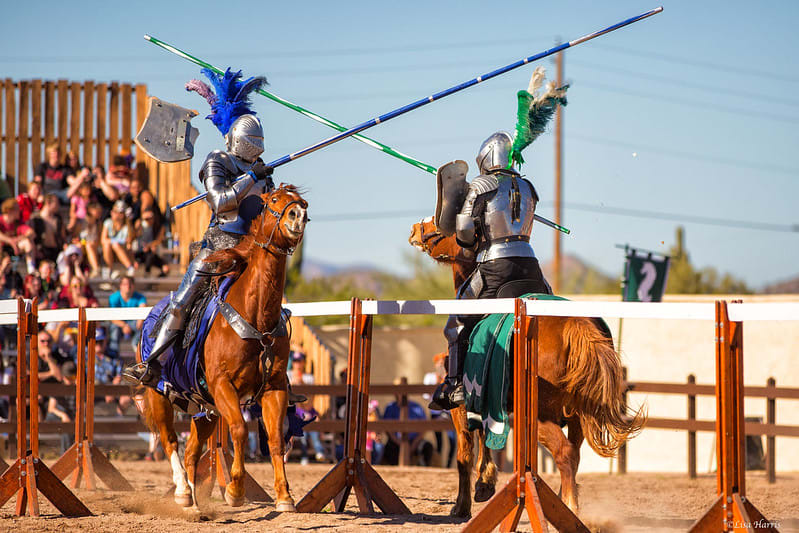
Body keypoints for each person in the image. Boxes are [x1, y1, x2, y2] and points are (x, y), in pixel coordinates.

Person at [123, 68, 272, 387]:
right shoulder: (218, 160)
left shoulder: (260, 172)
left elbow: (267, 211)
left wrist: (269, 186)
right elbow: (220, 202)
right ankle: (151, 364)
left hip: (251, 251)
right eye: (250, 143)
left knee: (273, 308)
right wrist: (251, 178)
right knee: (182, 299)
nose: (253, 149)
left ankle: (273, 378)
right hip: (219, 246)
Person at [429, 70, 566, 411]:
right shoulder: (528, 187)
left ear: (486, 159)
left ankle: (455, 385)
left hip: (495, 268)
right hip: (532, 267)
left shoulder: (481, 185)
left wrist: (469, 232)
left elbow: (462, 232)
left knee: (457, 317)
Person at [381, 391, 434, 467]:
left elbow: (424, 428)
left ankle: (423, 469)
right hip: (396, 442)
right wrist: (399, 442)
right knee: (389, 450)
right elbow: (388, 430)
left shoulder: (417, 407)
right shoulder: (390, 407)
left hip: (414, 441)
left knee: (427, 447)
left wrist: (414, 444)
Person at [108, 275, 146, 354]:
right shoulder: (113, 298)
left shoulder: (140, 297)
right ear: (120, 286)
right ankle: (113, 356)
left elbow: (143, 307)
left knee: (144, 326)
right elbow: (112, 318)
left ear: (133, 285)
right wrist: (124, 325)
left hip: (134, 324)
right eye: (125, 284)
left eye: (130, 284)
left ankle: (137, 349)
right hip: (119, 324)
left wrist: (140, 319)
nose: (128, 286)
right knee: (114, 330)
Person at [100, 200, 135, 278]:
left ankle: (130, 268)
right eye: (113, 211)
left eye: (117, 212)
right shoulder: (108, 223)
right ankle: (109, 270)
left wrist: (116, 242)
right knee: (107, 245)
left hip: (123, 252)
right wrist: (117, 241)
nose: (113, 213)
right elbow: (103, 240)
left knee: (115, 245)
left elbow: (129, 244)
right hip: (110, 252)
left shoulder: (127, 227)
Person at [0, 199, 36, 272]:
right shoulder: (1, 220)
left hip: (14, 248)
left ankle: (31, 269)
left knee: (27, 242)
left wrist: (19, 239)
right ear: (9, 210)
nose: (19, 211)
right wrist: (10, 241)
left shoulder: (17, 223)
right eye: (17, 209)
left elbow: (31, 233)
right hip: (2, 248)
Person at [29, 193, 67, 263]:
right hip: (42, 251)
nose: (58, 205)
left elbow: (63, 236)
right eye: (56, 203)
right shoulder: (35, 218)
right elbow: (31, 237)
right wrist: (36, 251)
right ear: (48, 203)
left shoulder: (58, 219)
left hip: (56, 251)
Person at [132, 207, 169, 277]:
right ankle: (147, 273)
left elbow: (158, 240)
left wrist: (149, 246)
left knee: (166, 268)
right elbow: (133, 236)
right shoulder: (140, 225)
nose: (149, 220)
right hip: (140, 253)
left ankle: (154, 283)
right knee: (148, 255)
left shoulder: (158, 227)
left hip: (151, 253)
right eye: (146, 219)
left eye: (151, 218)